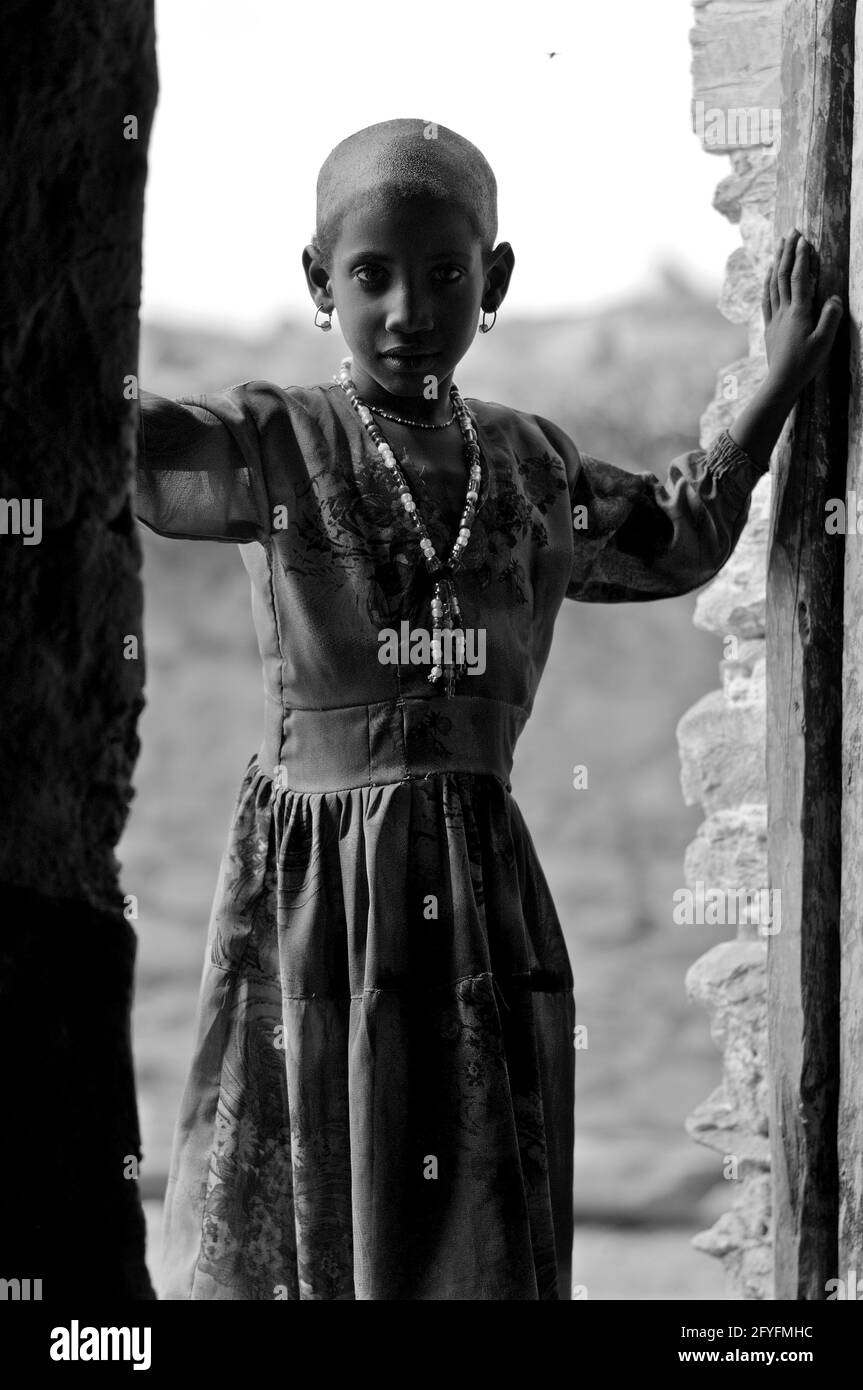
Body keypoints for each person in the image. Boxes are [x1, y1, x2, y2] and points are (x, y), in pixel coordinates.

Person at [134, 118, 842, 1300]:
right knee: (316, 1203)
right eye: (370, 275)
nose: (409, 307)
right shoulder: (275, 444)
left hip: (475, 893)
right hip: (320, 888)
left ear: (493, 281)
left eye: (445, 274)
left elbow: (678, 530)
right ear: (319, 283)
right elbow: (126, 443)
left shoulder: (529, 467)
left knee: (471, 1224)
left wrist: (775, 381)